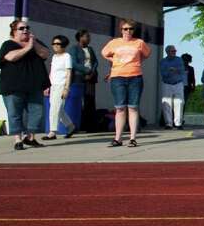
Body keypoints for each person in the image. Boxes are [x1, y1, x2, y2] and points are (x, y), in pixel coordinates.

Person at [0, 19, 49, 151]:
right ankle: (18, 140)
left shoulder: (35, 44)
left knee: (37, 113)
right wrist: (28, 48)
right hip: (13, 86)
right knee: (15, 113)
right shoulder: (8, 44)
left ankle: (30, 138)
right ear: (14, 32)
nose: (25, 30)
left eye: (27, 28)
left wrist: (33, 43)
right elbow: (11, 57)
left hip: (34, 86)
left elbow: (45, 54)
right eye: (21, 28)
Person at [100, 19, 151, 147]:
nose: (128, 31)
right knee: (120, 108)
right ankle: (118, 138)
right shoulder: (114, 43)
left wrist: (137, 61)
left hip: (135, 77)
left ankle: (132, 138)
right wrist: (114, 60)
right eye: (125, 29)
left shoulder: (139, 43)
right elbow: (104, 53)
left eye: (130, 29)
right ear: (121, 30)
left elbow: (147, 54)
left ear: (134, 30)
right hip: (117, 77)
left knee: (133, 107)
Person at [42, 34, 78, 139]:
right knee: (58, 109)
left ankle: (52, 131)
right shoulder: (54, 57)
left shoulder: (67, 56)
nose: (55, 45)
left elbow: (69, 72)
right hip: (53, 85)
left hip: (62, 85)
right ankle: (71, 126)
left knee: (54, 108)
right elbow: (52, 72)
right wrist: (47, 86)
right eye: (54, 43)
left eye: (58, 44)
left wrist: (66, 88)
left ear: (63, 45)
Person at [73, 29, 99, 121]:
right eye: (87, 36)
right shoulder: (74, 49)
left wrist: (92, 72)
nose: (89, 38)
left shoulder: (90, 49)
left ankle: (90, 124)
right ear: (80, 38)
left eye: (89, 36)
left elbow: (95, 61)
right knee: (79, 100)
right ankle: (78, 122)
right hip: (79, 77)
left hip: (91, 77)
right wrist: (86, 71)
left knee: (90, 100)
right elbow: (74, 63)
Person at [159, 45, 187, 129]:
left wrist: (175, 70)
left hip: (178, 83)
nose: (174, 52)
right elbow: (163, 73)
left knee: (179, 102)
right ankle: (168, 123)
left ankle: (178, 123)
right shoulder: (163, 61)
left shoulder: (179, 60)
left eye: (175, 51)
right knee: (166, 103)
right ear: (167, 52)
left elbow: (181, 70)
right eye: (172, 51)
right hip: (167, 83)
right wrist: (170, 71)